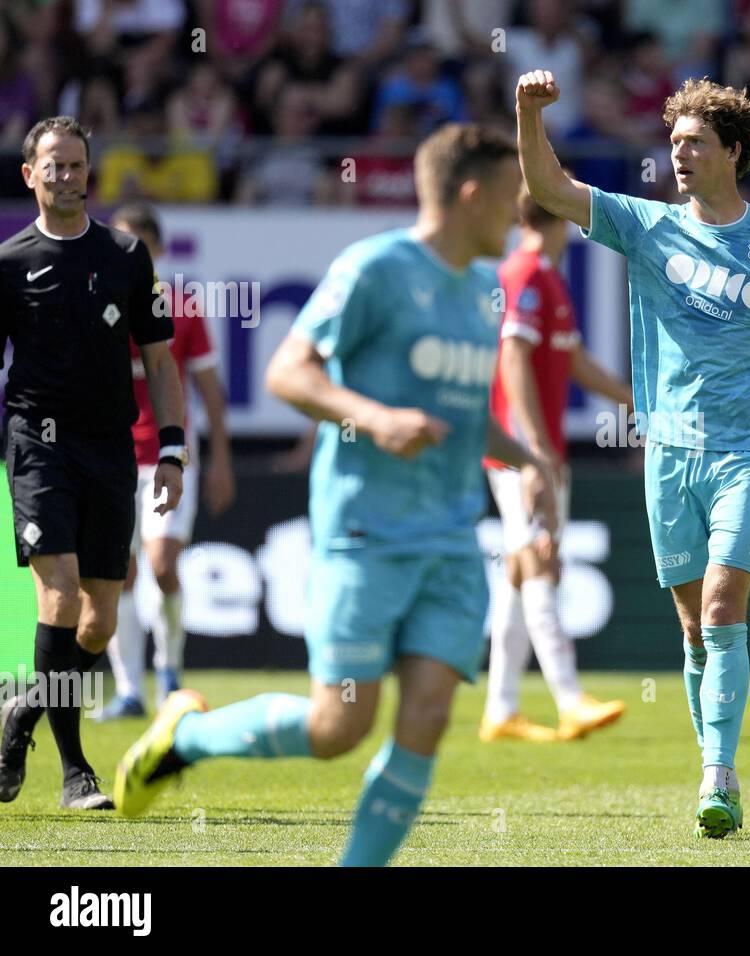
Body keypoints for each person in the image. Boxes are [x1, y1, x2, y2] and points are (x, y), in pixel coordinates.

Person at [114, 123, 558, 868]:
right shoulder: (375, 267)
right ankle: (184, 736)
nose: (522, 212)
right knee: (337, 729)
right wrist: (375, 418)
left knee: (425, 719)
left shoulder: (488, 289)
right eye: (510, 195)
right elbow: (288, 372)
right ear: (471, 193)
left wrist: (530, 460)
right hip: (366, 533)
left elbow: (465, 413)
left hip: (451, 541)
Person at [516, 70, 750, 837]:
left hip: (748, 449)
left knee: (720, 604)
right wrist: (529, 112)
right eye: (673, 142)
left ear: (732, 152)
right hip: (668, 451)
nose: (679, 155)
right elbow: (546, 186)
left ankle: (720, 774)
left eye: (695, 143)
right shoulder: (643, 224)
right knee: (691, 629)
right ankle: (714, 763)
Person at [0, 116, 184, 810]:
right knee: (61, 595)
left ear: (89, 173)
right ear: (30, 175)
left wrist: (170, 447)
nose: (67, 177)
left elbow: (160, 362)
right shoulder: (9, 263)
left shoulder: (128, 255)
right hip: (38, 444)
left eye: (77, 166)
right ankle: (76, 771)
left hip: (113, 448)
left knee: (100, 622)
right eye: (54, 166)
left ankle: (20, 713)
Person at [480, 175, 634, 743]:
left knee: (519, 571)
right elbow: (513, 359)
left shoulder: (543, 278)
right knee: (542, 559)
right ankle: (569, 698)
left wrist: (631, 401)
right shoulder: (526, 274)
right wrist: (534, 451)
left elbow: (569, 360)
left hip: (526, 447)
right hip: (524, 449)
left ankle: (500, 708)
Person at [98, 203, 236, 720]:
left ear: (156, 250)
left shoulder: (182, 306)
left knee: (163, 564)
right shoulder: (99, 307)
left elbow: (208, 388)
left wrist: (221, 457)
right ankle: (131, 689)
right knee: (123, 574)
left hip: (169, 457)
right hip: (112, 459)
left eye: (138, 244)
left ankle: (171, 670)